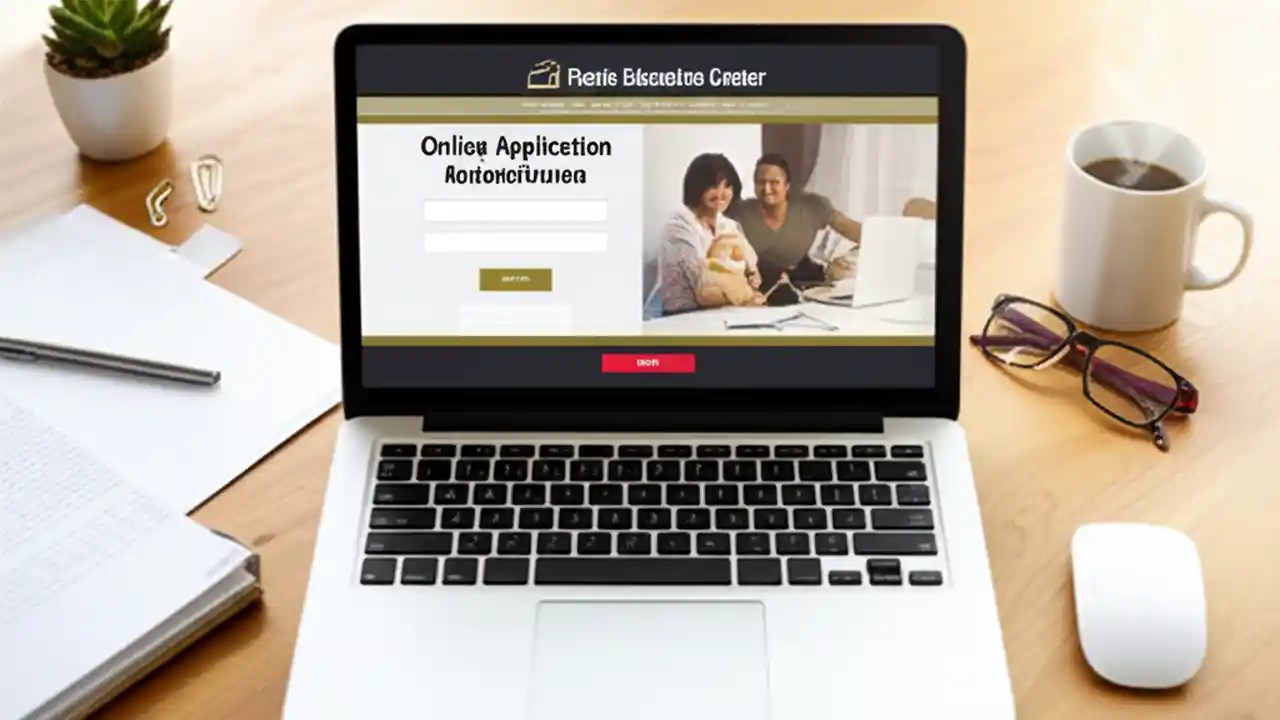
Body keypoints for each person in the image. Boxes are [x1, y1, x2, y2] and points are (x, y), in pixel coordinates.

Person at [727, 153, 865, 291]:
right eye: (761, 182)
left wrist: (878, 243)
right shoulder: (740, 213)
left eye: (774, 183)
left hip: (801, 281)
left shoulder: (812, 206)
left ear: (787, 185)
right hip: (757, 284)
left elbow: (847, 227)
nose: (767, 189)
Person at [659, 153, 763, 315]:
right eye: (713, 186)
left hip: (726, 314)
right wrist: (744, 293)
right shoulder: (680, 227)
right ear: (697, 188)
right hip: (684, 318)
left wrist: (752, 277)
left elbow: (752, 273)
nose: (720, 194)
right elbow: (704, 291)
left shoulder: (729, 226)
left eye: (727, 186)